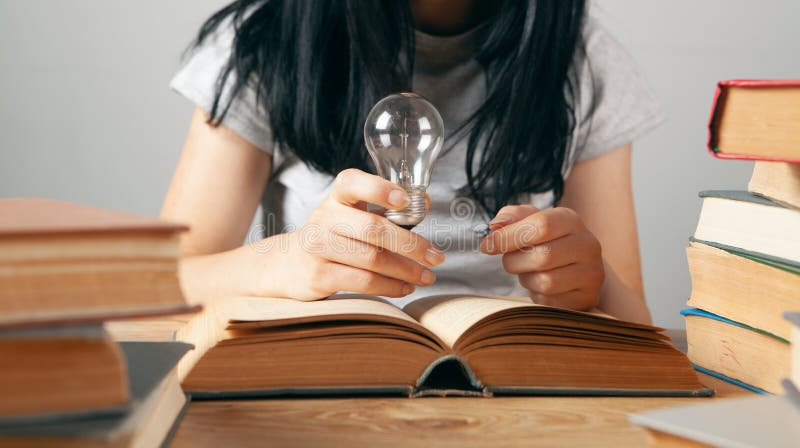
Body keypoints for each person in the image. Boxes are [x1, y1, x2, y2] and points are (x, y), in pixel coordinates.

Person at [163, 0, 664, 324]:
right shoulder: (265, 42)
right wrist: (290, 259)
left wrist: (589, 282)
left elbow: (635, 321)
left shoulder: (579, 59)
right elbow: (160, 280)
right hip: (323, 375)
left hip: (504, 379)